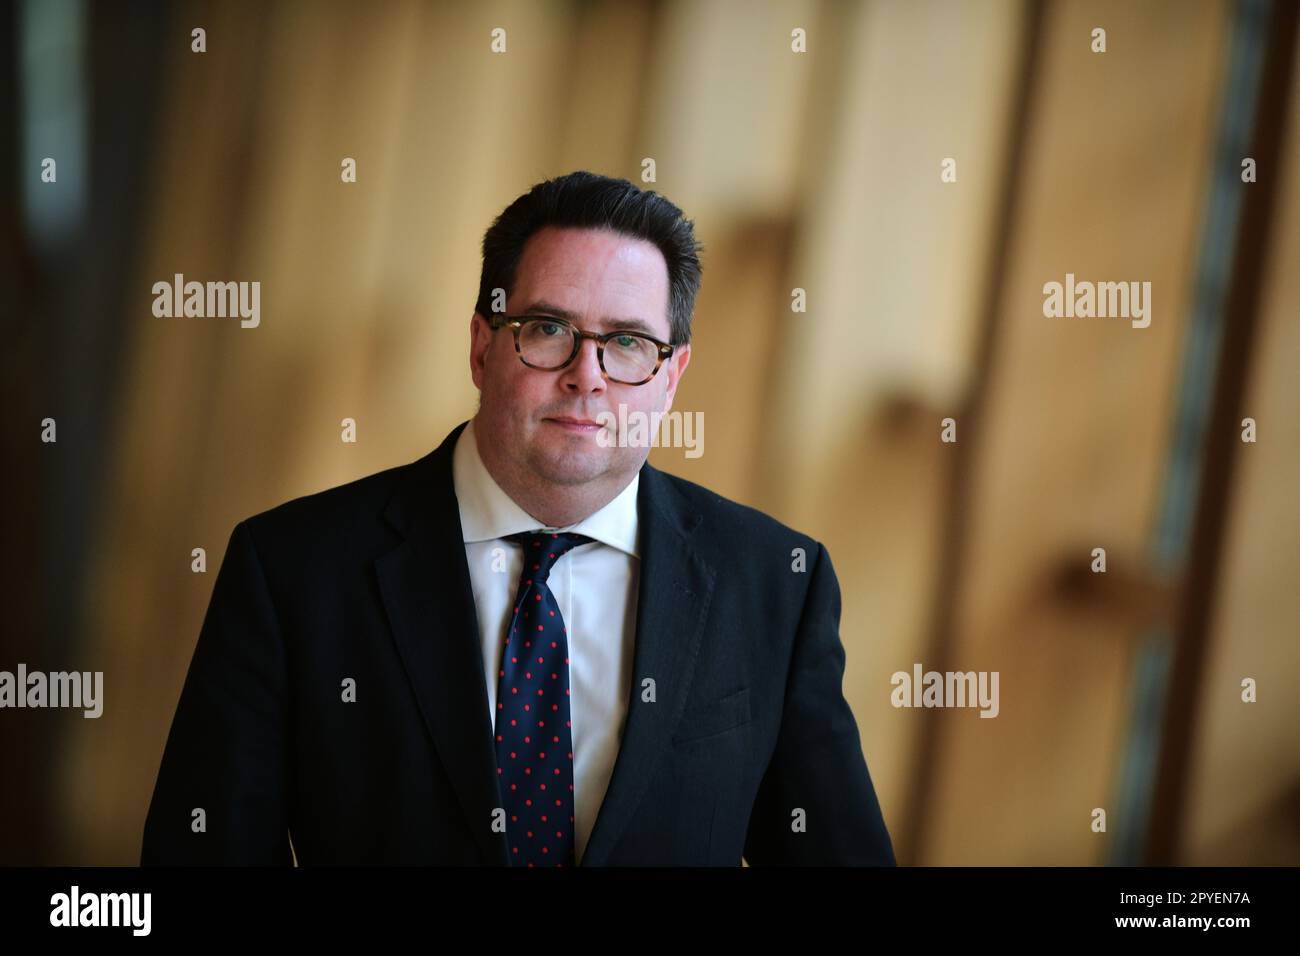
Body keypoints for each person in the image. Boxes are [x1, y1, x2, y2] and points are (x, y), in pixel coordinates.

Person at [141, 170, 895, 866]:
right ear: (481, 347)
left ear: (670, 378)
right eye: (547, 329)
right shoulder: (293, 569)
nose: (586, 377)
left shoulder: (774, 585)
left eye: (628, 343)